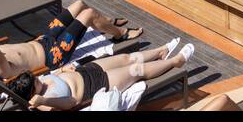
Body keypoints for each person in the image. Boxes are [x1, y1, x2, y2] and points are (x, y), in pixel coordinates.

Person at [0, 1, 144, 76]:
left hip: (43, 39)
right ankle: (121, 34)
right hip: (54, 55)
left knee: (79, 4)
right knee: (87, 15)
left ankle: (105, 21)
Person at [11, 39, 196, 110]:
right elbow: (71, 103)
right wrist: (43, 101)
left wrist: (61, 70)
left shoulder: (39, 82)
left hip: (87, 71)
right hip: (95, 87)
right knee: (136, 71)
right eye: (35, 82)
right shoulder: (44, 104)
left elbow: (53, 75)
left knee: (126, 57)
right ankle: (175, 61)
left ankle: (161, 51)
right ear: (32, 93)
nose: (38, 79)